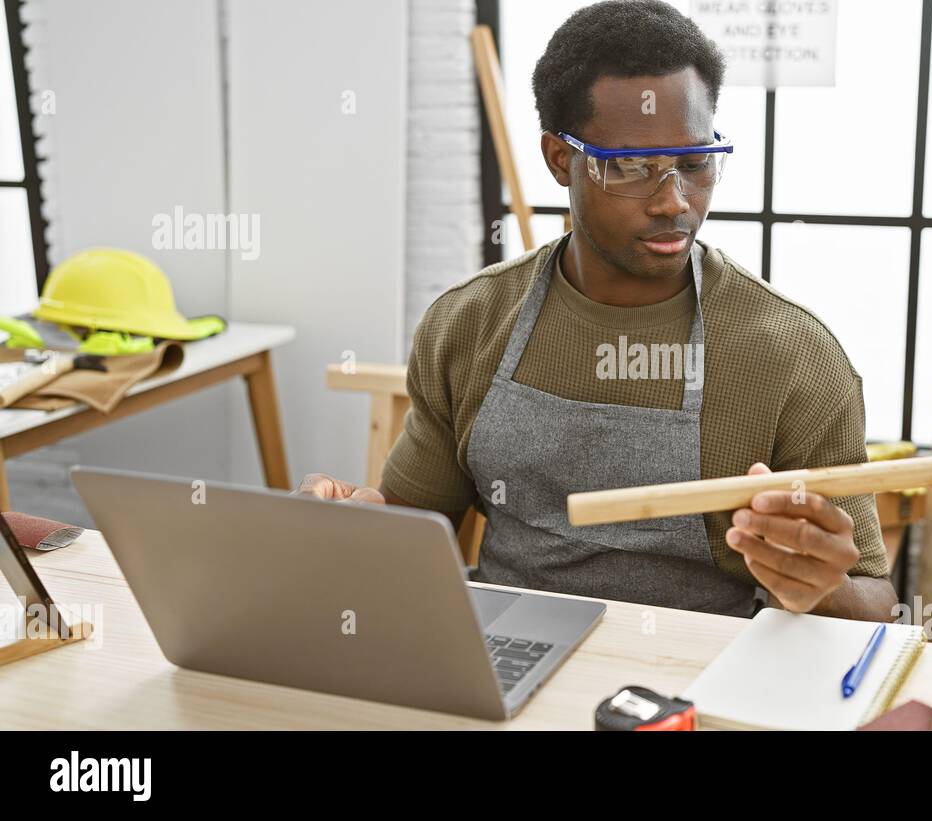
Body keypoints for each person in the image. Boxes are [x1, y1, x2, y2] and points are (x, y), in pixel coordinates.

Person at [297, 0, 897, 621]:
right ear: (561, 159)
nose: (673, 202)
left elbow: (876, 605)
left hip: (695, 681)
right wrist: (354, 524)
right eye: (631, 166)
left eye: (694, 163)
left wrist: (818, 585)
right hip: (505, 653)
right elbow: (413, 533)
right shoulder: (468, 323)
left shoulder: (791, 353)